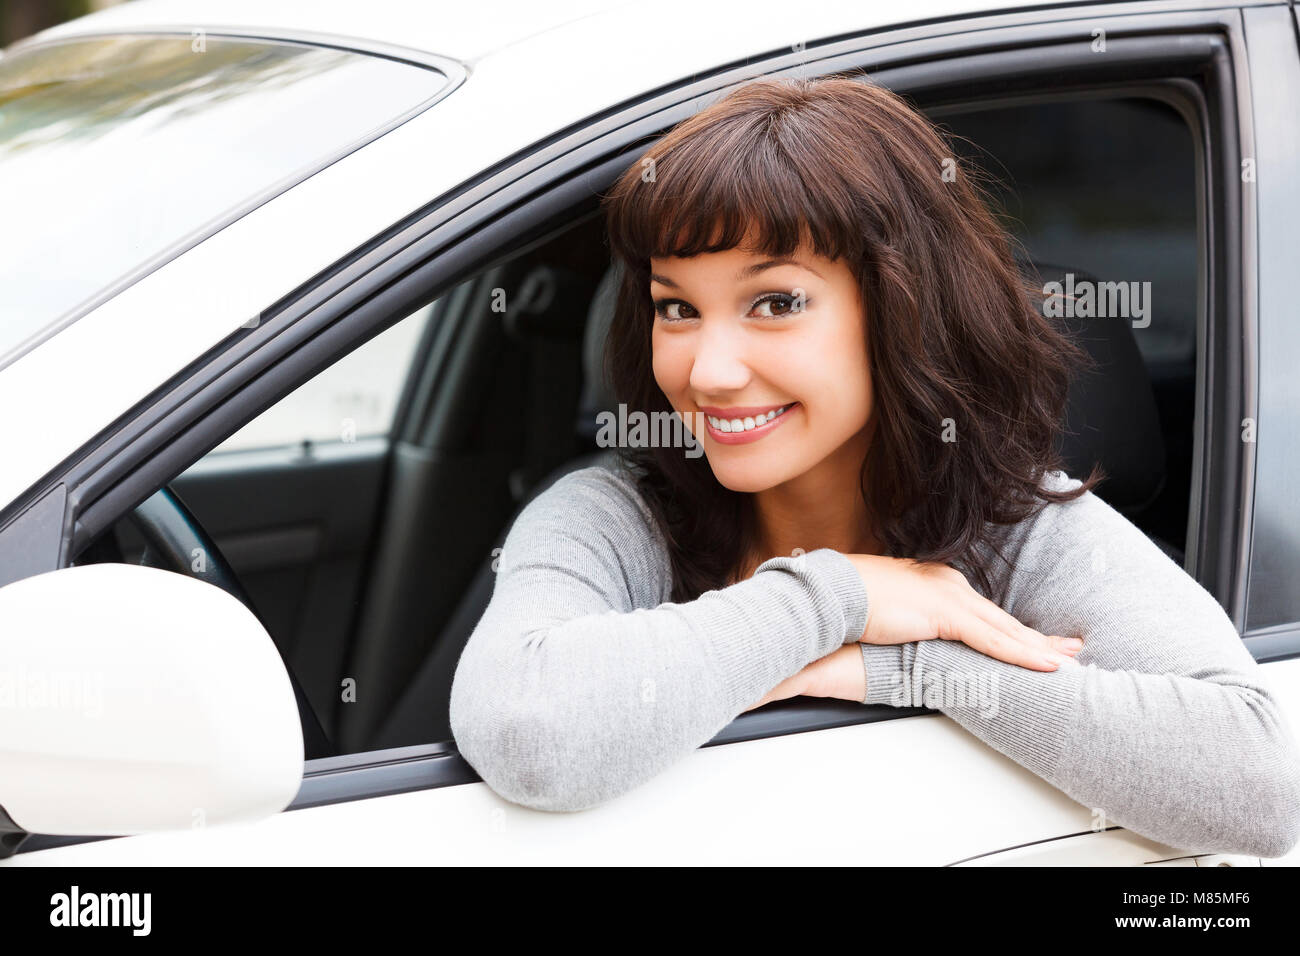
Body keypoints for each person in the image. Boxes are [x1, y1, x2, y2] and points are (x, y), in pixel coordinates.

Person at [449, 75, 1300, 857]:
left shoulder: (1018, 529)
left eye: (775, 303)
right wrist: (840, 597)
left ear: (902, 312)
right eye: (676, 307)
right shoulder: (611, 516)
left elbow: (1260, 784)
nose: (706, 370)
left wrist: (911, 667)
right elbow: (528, 731)